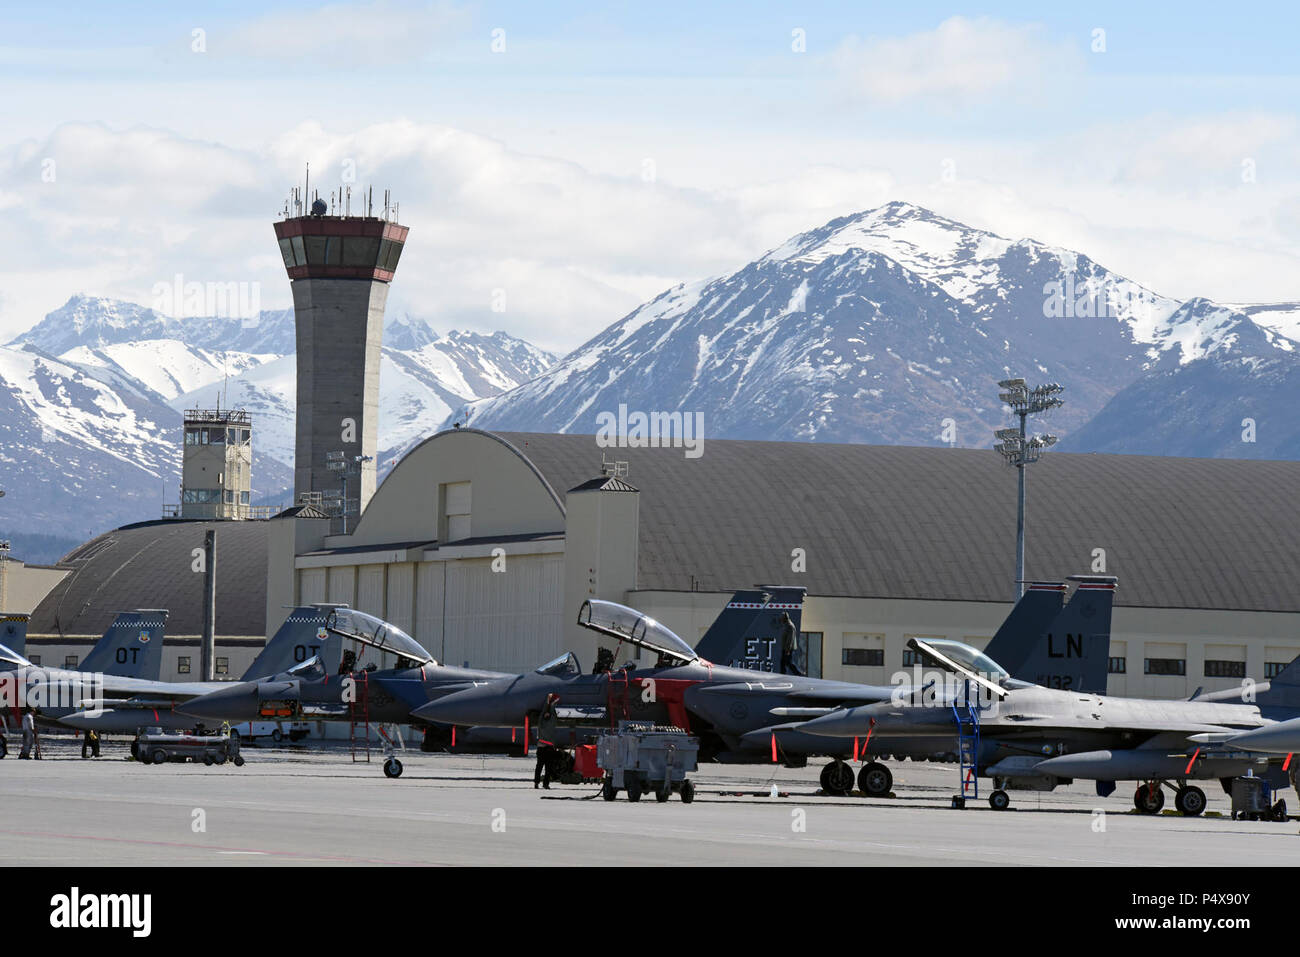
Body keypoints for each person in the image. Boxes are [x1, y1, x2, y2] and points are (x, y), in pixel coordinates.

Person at [534, 693, 561, 790]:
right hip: (547, 748)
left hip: (543, 748)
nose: (546, 714)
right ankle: (542, 784)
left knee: (542, 767)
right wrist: (550, 702)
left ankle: (539, 783)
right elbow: (549, 713)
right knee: (546, 768)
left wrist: (549, 702)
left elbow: (545, 713)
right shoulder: (550, 722)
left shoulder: (542, 723)